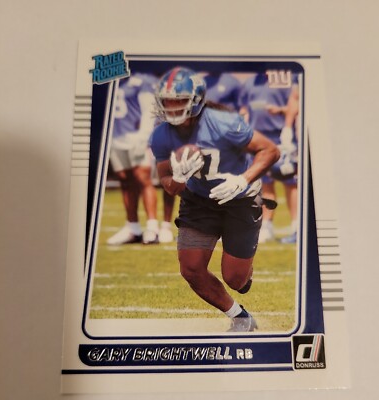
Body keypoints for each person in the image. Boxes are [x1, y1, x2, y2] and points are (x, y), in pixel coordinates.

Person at [150, 67, 280, 332]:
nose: (172, 107)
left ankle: (244, 271)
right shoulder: (161, 135)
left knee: (235, 279)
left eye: (178, 100)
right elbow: (168, 184)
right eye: (167, 101)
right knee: (191, 269)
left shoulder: (223, 122)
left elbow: (270, 150)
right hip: (198, 199)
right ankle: (241, 318)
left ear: (196, 99)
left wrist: (243, 179)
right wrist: (179, 178)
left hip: (240, 198)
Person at [239, 71, 299, 244]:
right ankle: (266, 226)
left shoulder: (285, 80)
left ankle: (297, 226)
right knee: (264, 183)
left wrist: (281, 112)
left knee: (290, 182)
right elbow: (244, 109)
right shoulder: (250, 82)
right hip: (258, 139)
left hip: (281, 137)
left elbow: (296, 105)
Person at [107, 73, 161, 245]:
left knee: (143, 179)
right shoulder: (109, 80)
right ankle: (132, 228)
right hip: (116, 136)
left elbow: (149, 111)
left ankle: (152, 228)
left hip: (136, 137)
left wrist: (144, 137)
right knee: (125, 180)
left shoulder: (141, 81)